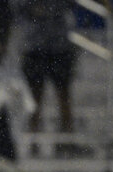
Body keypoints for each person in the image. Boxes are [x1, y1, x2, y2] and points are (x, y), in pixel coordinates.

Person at [16, 0, 75, 133]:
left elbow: (69, 4)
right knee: (34, 95)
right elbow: (19, 7)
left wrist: (48, 9)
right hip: (35, 44)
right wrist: (35, 8)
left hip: (59, 44)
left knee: (63, 93)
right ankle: (33, 138)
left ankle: (67, 136)